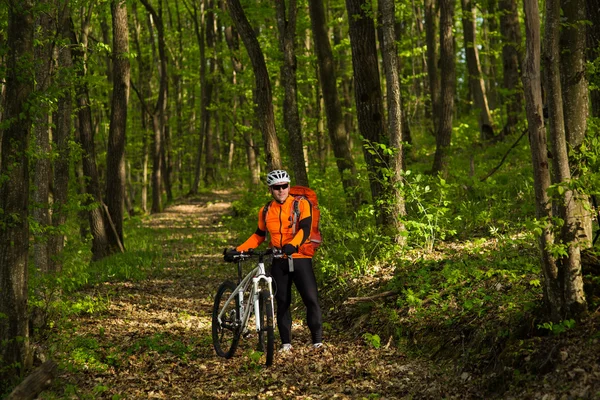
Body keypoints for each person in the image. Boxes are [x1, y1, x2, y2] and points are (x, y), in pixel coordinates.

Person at [225, 169, 323, 351]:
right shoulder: (265, 210)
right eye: (277, 187)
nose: (281, 190)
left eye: (284, 186)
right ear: (271, 189)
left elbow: (306, 228)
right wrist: (238, 250)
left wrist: (293, 244)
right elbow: (259, 235)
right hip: (278, 259)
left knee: (310, 299)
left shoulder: (300, 204)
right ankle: (286, 343)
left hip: (300, 257)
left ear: (289, 186)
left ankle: (317, 340)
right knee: (282, 302)